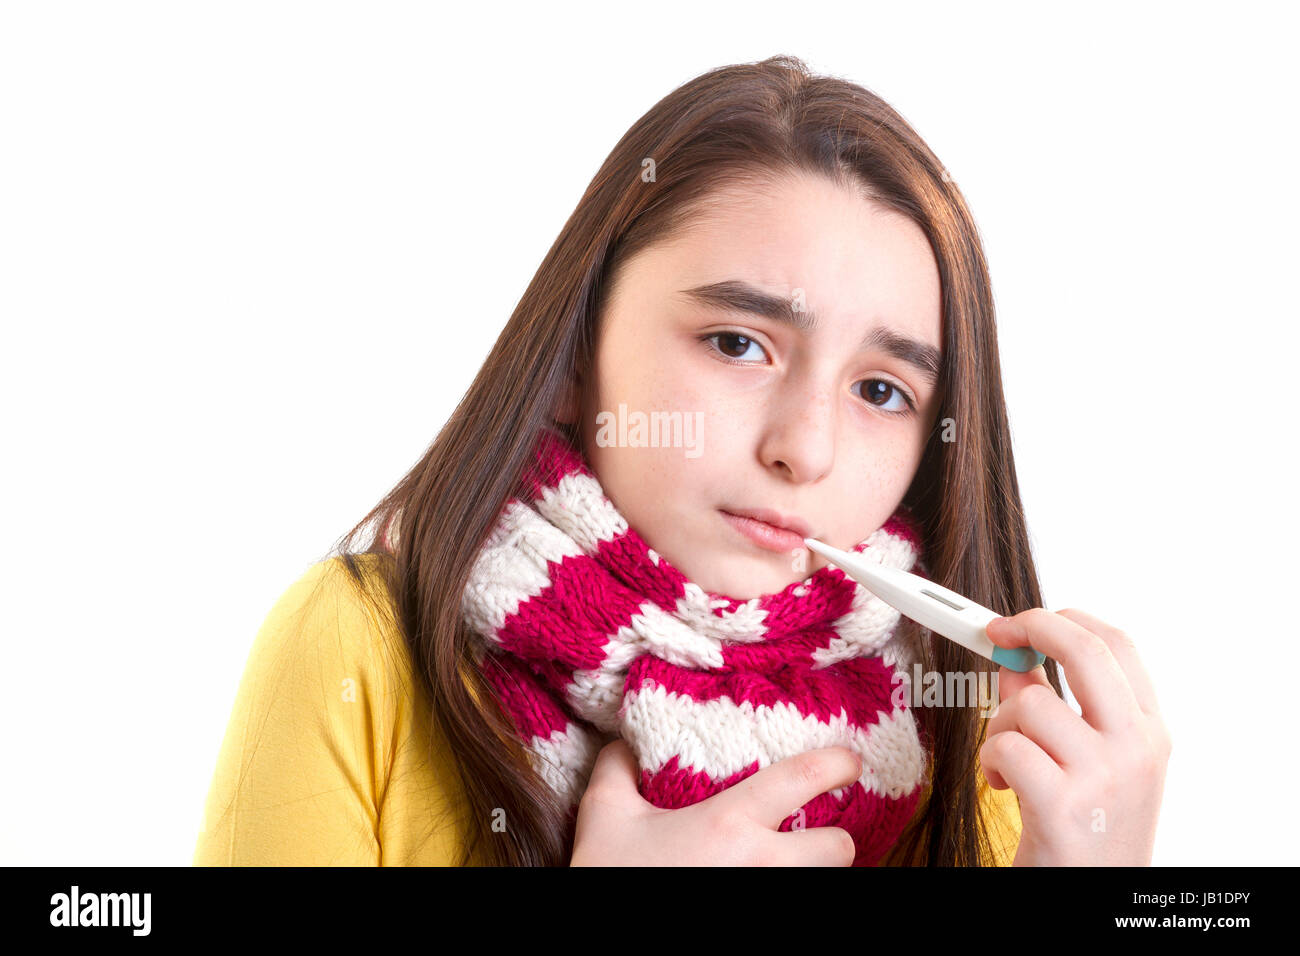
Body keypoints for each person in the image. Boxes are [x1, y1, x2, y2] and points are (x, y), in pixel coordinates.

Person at [194, 54, 1170, 867]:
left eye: (881, 391)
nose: (804, 448)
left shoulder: (977, 733)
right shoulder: (356, 652)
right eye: (737, 342)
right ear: (575, 358)